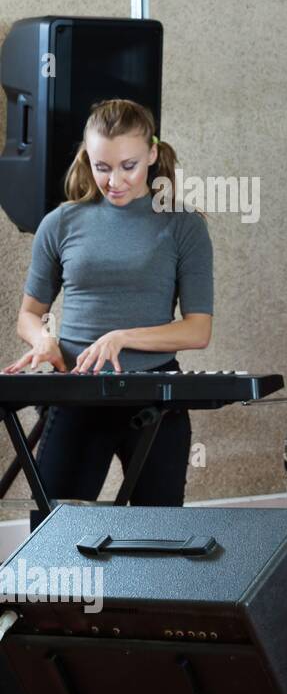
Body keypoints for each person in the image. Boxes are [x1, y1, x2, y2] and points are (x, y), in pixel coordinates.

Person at [4, 99, 213, 521]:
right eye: (101, 167)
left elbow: (197, 330)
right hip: (77, 392)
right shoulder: (61, 223)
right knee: (55, 536)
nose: (114, 180)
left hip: (154, 396)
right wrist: (43, 338)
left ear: (152, 154)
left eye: (128, 165)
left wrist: (123, 337)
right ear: (87, 156)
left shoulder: (182, 225)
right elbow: (29, 315)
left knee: (161, 536)